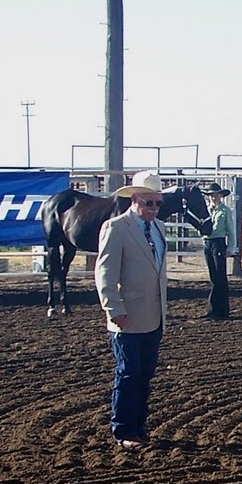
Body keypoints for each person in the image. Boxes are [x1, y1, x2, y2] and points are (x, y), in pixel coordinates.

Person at [94, 169, 169, 451]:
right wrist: (113, 308)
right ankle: (124, 429)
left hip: (153, 314)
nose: (154, 209)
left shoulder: (159, 229)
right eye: (149, 203)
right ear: (134, 200)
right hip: (127, 316)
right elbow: (105, 273)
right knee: (128, 373)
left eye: (158, 203)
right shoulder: (115, 228)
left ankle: (138, 425)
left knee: (145, 373)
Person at [200, 181, 235, 319]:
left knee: (220, 277)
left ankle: (221, 310)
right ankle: (214, 309)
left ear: (220, 196)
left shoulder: (225, 211)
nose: (213, 197)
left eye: (215, 195)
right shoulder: (207, 211)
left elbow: (230, 231)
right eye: (211, 195)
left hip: (219, 243)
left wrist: (230, 247)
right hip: (208, 242)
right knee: (214, 277)